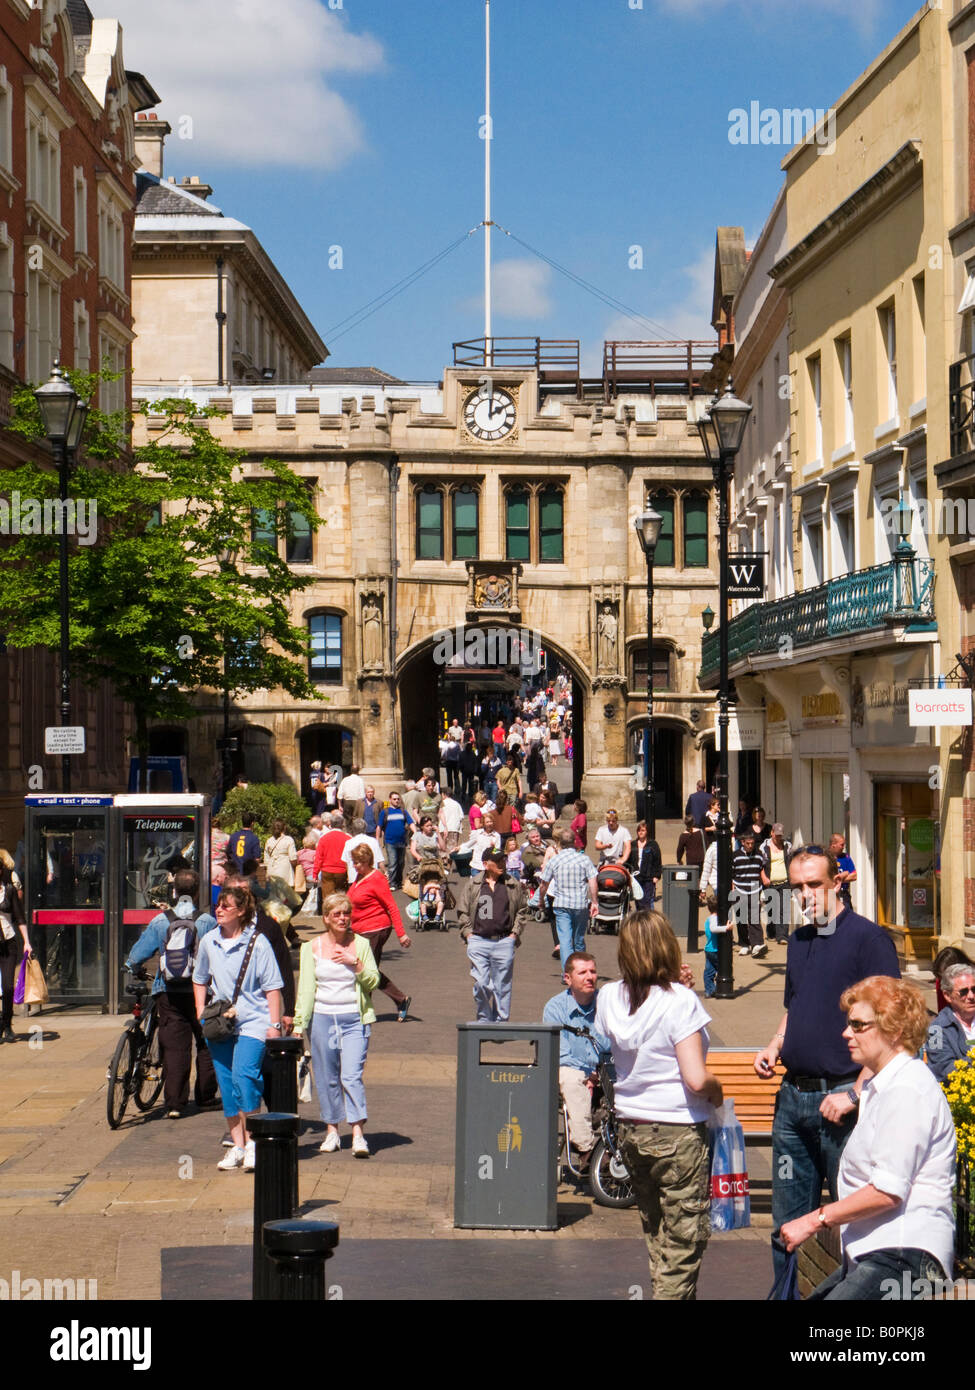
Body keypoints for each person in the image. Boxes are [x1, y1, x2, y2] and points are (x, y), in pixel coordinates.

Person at [753, 845, 900, 1280]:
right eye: (797, 887)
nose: (806, 894)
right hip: (793, 1099)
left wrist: (855, 1093)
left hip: (842, 1102)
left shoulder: (868, 940)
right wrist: (774, 1044)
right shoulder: (798, 942)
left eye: (815, 884)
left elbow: (890, 1030)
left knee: (854, 1224)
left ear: (837, 882)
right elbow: (796, 1004)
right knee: (786, 1227)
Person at [782, 975, 955, 1301]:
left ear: (895, 1030)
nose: (846, 1033)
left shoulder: (906, 1089)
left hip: (905, 1254)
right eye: (849, 1024)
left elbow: (888, 1191)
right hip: (881, 1252)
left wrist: (814, 1220)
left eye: (859, 1025)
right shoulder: (883, 1086)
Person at [595, 909, 723, 1301]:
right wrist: (719, 1092)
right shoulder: (678, 1001)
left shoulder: (608, 995)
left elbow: (623, 1038)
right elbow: (696, 1078)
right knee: (684, 1245)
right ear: (665, 947)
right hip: (678, 1131)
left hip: (632, 1127)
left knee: (658, 1234)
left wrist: (678, 991)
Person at [192, 883, 284, 1171]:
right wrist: (200, 1013)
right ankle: (238, 1145)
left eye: (226, 906)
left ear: (242, 911)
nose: (218, 910)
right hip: (220, 1022)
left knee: (245, 1077)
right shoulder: (209, 941)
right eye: (218, 905)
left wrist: (275, 1024)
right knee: (228, 1085)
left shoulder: (258, 943)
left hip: (253, 1021)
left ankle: (254, 1141)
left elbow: (273, 988)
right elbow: (199, 977)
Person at [123, 869, 218, 1116]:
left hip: (168, 990)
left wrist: (132, 967)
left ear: (174, 892)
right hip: (201, 992)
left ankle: (175, 1104)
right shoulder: (207, 922)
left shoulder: (160, 920)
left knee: (176, 1048)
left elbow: (137, 955)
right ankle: (206, 1097)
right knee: (207, 1042)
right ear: (197, 892)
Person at [294, 893, 379, 1158]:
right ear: (326, 918)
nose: (343, 918)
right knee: (327, 1077)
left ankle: (357, 1133)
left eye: (346, 913)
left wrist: (356, 965)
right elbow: (306, 990)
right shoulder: (311, 948)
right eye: (337, 914)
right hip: (322, 1019)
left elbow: (374, 981)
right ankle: (332, 1131)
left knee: (351, 1075)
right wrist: (299, 1024)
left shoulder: (361, 944)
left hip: (354, 1018)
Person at [543, 952, 611, 1165]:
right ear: (568, 978)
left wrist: (598, 1074)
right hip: (573, 1072)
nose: (590, 977)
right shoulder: (555, 1008)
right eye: (582, 972)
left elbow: (613, 1045)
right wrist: (588, 1073)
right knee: (571, 1077)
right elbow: (560, 1053)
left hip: (605, 1073)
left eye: (593, 971)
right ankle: (587, 1150)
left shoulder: (607, 1004)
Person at [457, 848, 531, 1023]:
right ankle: (484, 1019)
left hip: (504, 941)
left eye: (503, 860)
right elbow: (462, 911)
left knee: (502, 986)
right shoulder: (474, 884)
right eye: (497, 861)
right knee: (482, 983)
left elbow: (522, 909)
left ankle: (500, 1022)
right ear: (485, 864)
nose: (501, 864)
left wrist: (514, 934)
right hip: (478, 941)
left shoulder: (511, 884)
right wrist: (468, 934)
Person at [346, 845, 413, 1021]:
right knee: (368, 969)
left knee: (366, 970)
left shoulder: (376, 879)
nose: (355, 866)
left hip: (375, 929)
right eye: (354, 862)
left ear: (368, 861)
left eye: (358, 863)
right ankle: (400, 1000)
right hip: (360, 930)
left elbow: (391, 906)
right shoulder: (360, 877)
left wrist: (401, 933)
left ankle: (363, 1010)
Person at [540, 827, 598, 971]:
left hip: (561, 904)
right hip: (580, 904)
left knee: (565, 941)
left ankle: (568, 973)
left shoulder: (555, 860)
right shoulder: (584, 859)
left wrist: (541, 900)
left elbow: (544, 884)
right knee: (578, 940)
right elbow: (593, 881)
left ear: (559, 842)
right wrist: (595, 901)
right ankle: (582, 970)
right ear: (574, 842)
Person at [925, 961, 975, 1082]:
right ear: (947, 996)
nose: (971, 996)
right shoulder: (935, 1030)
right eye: (963, 992)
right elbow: (941, 1068)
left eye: (974, 989)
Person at [0, 860, 31, 1044]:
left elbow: (19, 917)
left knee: (8, 986)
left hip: (8, 943)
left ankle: (7, 1024)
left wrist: (27, 942)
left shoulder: (9, 890)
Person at [731, 831, 766, 958]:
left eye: (752, 843)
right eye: (748, 843)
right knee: (741, 919)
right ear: (742, 843)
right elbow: (731, 874)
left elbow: (762, 868)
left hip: (755, 890)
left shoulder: (759, 855)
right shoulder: (735, 856)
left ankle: (757, 944)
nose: (751, 846)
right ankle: (744, 945)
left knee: (754, 918)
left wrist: (764, 881)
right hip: (740, 889)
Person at [760, 823, 792, 944]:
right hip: (770, 883)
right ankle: (771, 932)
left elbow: (791, 861)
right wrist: (763, 878)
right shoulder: (764, 847)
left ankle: (783, 936)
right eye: (776, 835)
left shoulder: (787, 846)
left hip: (785, 881)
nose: (778, 837)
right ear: (771, 833)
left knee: (784, 909)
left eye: (780, 835)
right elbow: (760, 865)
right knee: (772, 909)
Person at [377, 791, 413, 892]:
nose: (397, 801)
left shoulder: (403, 811)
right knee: (392, 863)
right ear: (390, 800)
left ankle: (398, 881)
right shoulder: (385, 812)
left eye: (398, 799)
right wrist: (377, 839)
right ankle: (391, 883)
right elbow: (379, 826)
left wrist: (417, 833)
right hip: (390, 841)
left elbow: (411, 823)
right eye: (394, 799)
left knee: (401, 863)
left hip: (402, 841)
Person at [312, 812, 350, 897]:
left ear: (331, 825)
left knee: (327, 897)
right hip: (342, 871)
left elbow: (319, 858)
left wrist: (315, 874)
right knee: (341, 897)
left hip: (327, 871)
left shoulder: (323, 838)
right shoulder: (347, 838)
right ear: (342, 825)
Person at [628, 821, 662, 908]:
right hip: (636, 878)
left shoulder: (653, 844)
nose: (640, 832)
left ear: (647, 832)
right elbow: (628, 861)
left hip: (648, 878)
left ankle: (649, 920)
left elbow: (657, 861)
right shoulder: (633, 844)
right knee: (638, 901)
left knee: (647, 902)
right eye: (639, 830)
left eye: (643, 830)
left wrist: (657, 876)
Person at [342, 819, 385, 884]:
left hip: (354, 878)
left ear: (353, 829)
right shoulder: (373, 841)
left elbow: (345, 861)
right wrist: (384, 872)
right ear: (365, 828)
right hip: (371, 877)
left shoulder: (348, 843)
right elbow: (380, 861)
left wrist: (348, 875)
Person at [263, 818, 297, 886]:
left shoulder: (269, 841)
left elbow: (266, 861)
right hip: (284, 870)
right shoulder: (288, 840)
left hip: (272, 869)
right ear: (284, 828)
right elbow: (293, 859)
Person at [830, 832, 857, 910]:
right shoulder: (825, 857)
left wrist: (837, 879)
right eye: (841, 845)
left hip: (844, 894)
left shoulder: (846, 857)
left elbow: (854, 876)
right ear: (833, 845)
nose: (843, 847)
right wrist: (845, 873)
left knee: (848, 918)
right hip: (830, 894)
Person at [702, 892, 719, 998]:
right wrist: (726, 928)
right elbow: (714, 929)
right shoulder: (714, 918)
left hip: (709, 949)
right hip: (715, 949)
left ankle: (709, 990)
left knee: (709, 971)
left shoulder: (708, 919)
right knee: (722, 970)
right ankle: (715, 989)